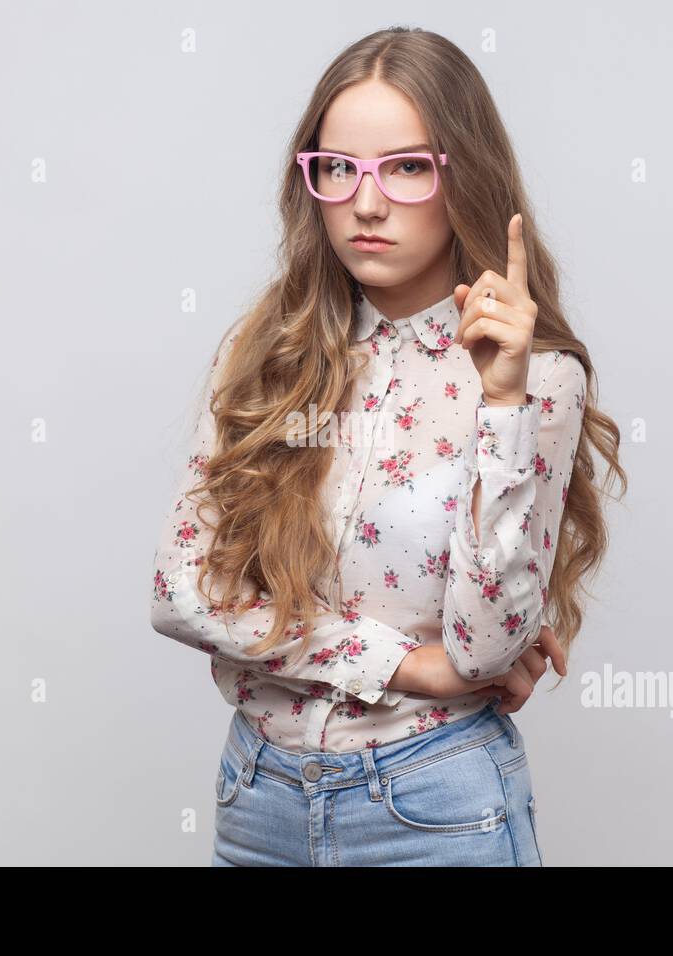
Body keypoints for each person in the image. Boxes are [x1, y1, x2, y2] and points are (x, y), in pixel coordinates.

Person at [150, 26, 625, 866]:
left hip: (434, 805)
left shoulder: (539, 381)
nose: (366, 204)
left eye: (406, 167)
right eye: (338, 169)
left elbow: (483, 648)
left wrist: (505, 403)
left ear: (462, 175)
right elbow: (182, 593)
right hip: (256, 798)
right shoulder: (264, 355)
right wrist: (408, 664)